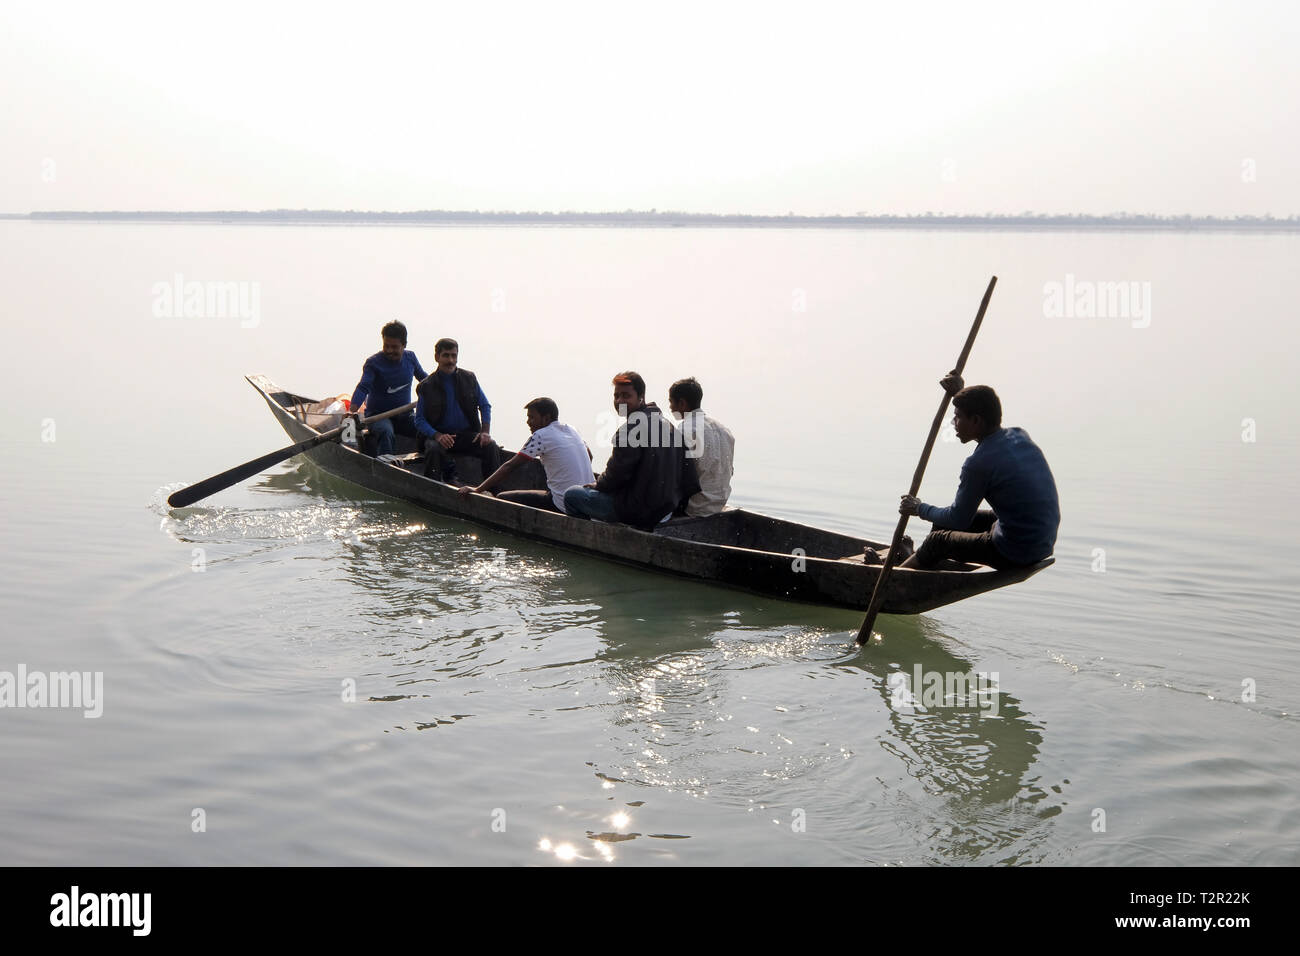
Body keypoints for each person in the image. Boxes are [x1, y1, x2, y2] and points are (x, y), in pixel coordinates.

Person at [898, 372, 1059, 571]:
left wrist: (919, 508)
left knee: (937, 540)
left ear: (976, 420)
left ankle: (899, 576)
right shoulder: (1019, 434)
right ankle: (917, 562)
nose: (953, 423)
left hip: (1016, 551)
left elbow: (959, 519)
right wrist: (961, 393)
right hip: (1041, 540)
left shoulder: (977, 464)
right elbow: (984, 410)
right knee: (942, 526)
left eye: (957, 417)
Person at [564, 372, 700, 529]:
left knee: (572, 495)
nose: (619, 401)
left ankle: (588, 537)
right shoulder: (669, 425)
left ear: (641, 396)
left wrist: (599, 485)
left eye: (626, 396)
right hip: (665, 510)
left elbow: (616, 475)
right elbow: (689, 478)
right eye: (616, 396)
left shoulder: (630, 430)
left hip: (637, 511)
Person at [457, 398, 594, 512]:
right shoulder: (571, 429)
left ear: (546, 419)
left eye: (532, 417)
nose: (528, 422)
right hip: (585, 501)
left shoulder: (541, 435)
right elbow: (590, 455)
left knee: (502, 498)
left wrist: (478, 489)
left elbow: (509, 466)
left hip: (562, 504)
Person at [415, 338, 501, 483]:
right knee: (433, 449)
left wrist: (485, 432)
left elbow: (485, 406)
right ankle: (432, 489)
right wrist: (437, 435)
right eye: (446, 355)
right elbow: (419, 421)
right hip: (440, 439)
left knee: (491, 446)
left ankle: (493, 491)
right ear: (437, 357)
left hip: (465, 435)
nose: (450, 360)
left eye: (454, 356)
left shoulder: (469, 378)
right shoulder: (426, 386)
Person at [350, 320, 429, 457]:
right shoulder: (373, 363)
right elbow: (363, 388)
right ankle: (386, 467)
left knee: (428, 431)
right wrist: (352, 411)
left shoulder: (410, 358)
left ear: (404, 345)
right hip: (378, 417)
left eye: (394, 347)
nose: (389, 351)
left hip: (405, 416)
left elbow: (425, 380)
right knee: (386, 432)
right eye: (386, 346)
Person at [667, 376, 734, 517]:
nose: (670, 408)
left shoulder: (685, 430)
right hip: (719, 504)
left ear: (682, 404)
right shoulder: (724, 430)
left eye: (671, 402)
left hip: (695, 508)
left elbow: (676, 477)